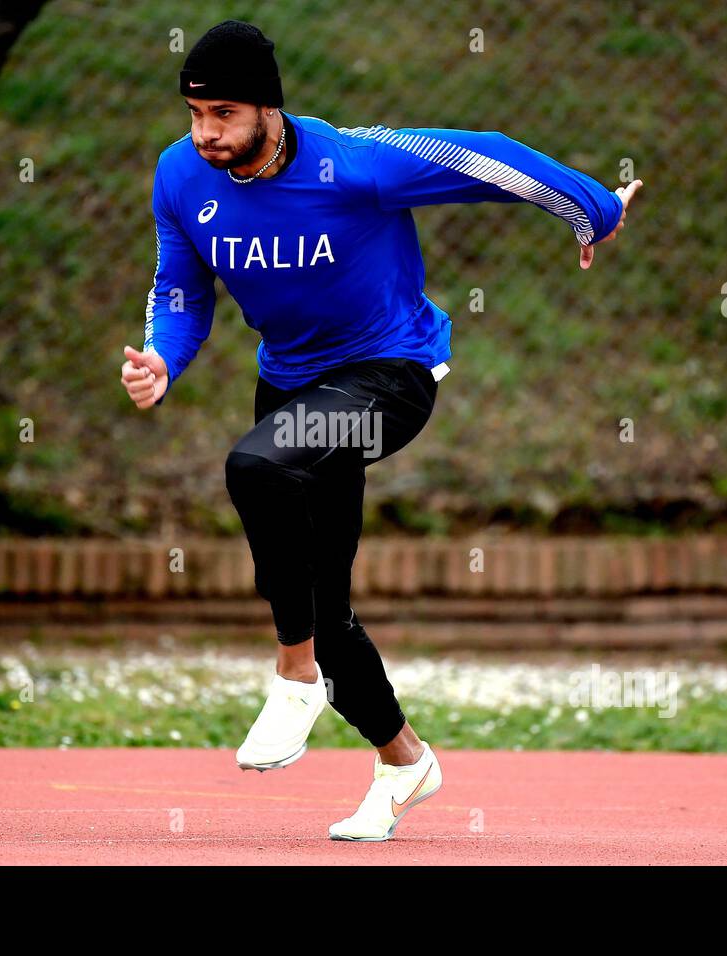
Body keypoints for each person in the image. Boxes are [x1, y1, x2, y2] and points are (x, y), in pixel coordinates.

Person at [121, 19, 642, 841]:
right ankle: (405, 763)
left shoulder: (354, 163)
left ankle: (293, 681)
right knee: (327, 606)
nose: (205, 134)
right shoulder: (180, 177)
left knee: (254, 469)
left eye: (223, 114)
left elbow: (484, 156)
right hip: (292, 389)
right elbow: (181, 287)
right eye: (195, 115)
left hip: (387, 378)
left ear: (268, 108)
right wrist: (161, 358)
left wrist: (595, 208)